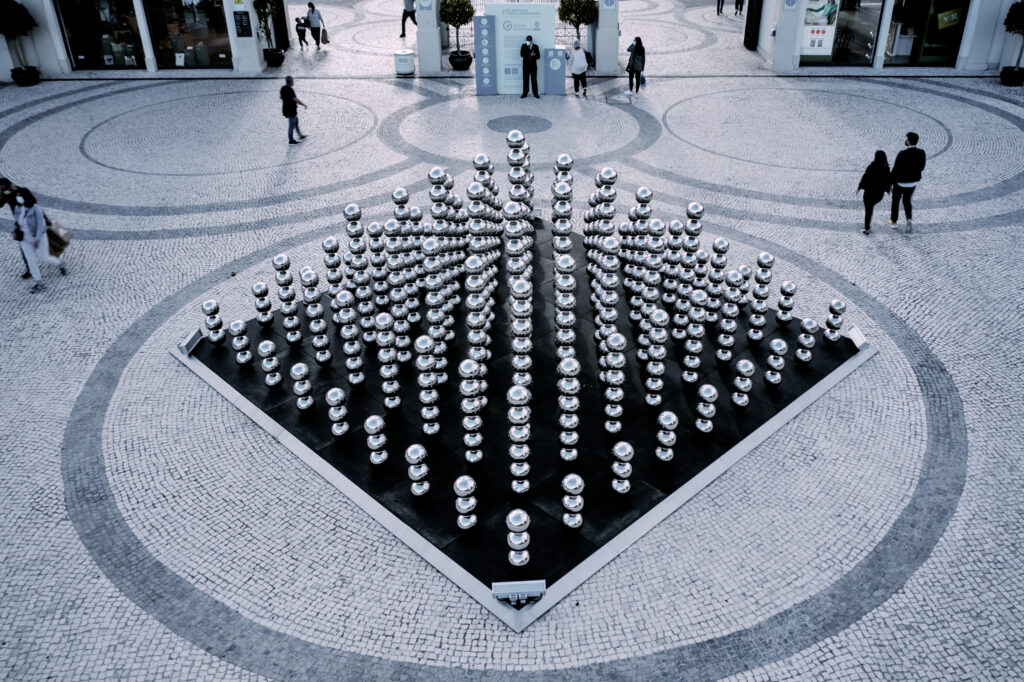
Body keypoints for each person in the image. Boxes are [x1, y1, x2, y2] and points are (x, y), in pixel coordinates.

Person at [13, 188, 65, 293]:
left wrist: (37, 239)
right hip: (24, 239)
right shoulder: (18, 208)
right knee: (31, 261)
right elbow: (16, 222)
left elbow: (41, 225)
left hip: (38, 237)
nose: (18, 198)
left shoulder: (36, 208)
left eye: (19, 196)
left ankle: (60, 263)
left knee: (45, 258)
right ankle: (39, 283)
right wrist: (14, 231)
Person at [888, 131, 926, 234]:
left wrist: (890, 184)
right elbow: (922, 167)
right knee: (907, 201)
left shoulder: (902, 154)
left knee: (895, 201)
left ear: (908, 141)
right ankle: (909, 220)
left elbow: (895, 170)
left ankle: (893, 221)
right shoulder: (921, 153)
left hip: (900, 183)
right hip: (912, 183)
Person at [2, 178, 33, 279]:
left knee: (44, 242)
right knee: (23, 247)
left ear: (10, 186)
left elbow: (34, 204)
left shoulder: (24, 191)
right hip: (20, 224)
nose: (3, 191)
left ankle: (57, 262)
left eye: (4, 189)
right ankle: (29, 268)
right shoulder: (6, 194)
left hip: (32, 222)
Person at [857, 150, 891, 236]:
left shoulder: (871, 167)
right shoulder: (886, 168)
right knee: (870, 208)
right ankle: (867, 228)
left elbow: (865, 177)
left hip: (869, 193)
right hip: (879, 194)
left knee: (868, 211)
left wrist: (860, 187)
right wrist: (888, 189)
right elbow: (888, 180)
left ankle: (867, 229)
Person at [280, 76, 308, 145]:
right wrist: (303, 104)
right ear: (290, 82)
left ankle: (300, 135)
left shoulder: (283, 88)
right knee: (291, 125)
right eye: (293, 81)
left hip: (286, 109)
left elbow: (281, 97)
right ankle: (291, 140)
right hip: (291, 110)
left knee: (296, 122)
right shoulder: (290, 90)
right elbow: (295, 99)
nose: (293, 82)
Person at [626, 37, 644, 103]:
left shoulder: (633, 48)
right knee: (637, 79)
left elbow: (627, 49)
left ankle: (631, 91)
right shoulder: (642, 48)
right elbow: (643, 59)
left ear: (636, 42)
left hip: (632, 67)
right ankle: (636, 92)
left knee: (631, 79)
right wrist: (642, 67)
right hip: (638, 67)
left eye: (634, 40)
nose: (633, 41)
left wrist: (632, 44)